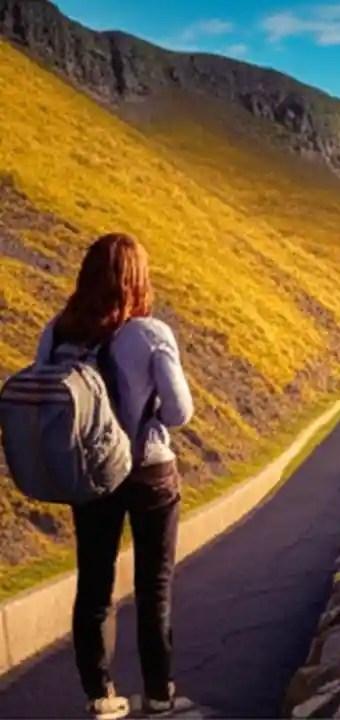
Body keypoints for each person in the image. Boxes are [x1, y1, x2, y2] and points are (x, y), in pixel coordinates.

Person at [35, 234, 195, 719]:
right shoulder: (150, 334)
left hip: (91, 475)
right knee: (155, 586)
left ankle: (101, 696)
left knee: (95, 583)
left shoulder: (57, 332)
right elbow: (180, 413)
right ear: (137, 280)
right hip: (148, 472)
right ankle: (160, 694)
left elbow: (47, 398)